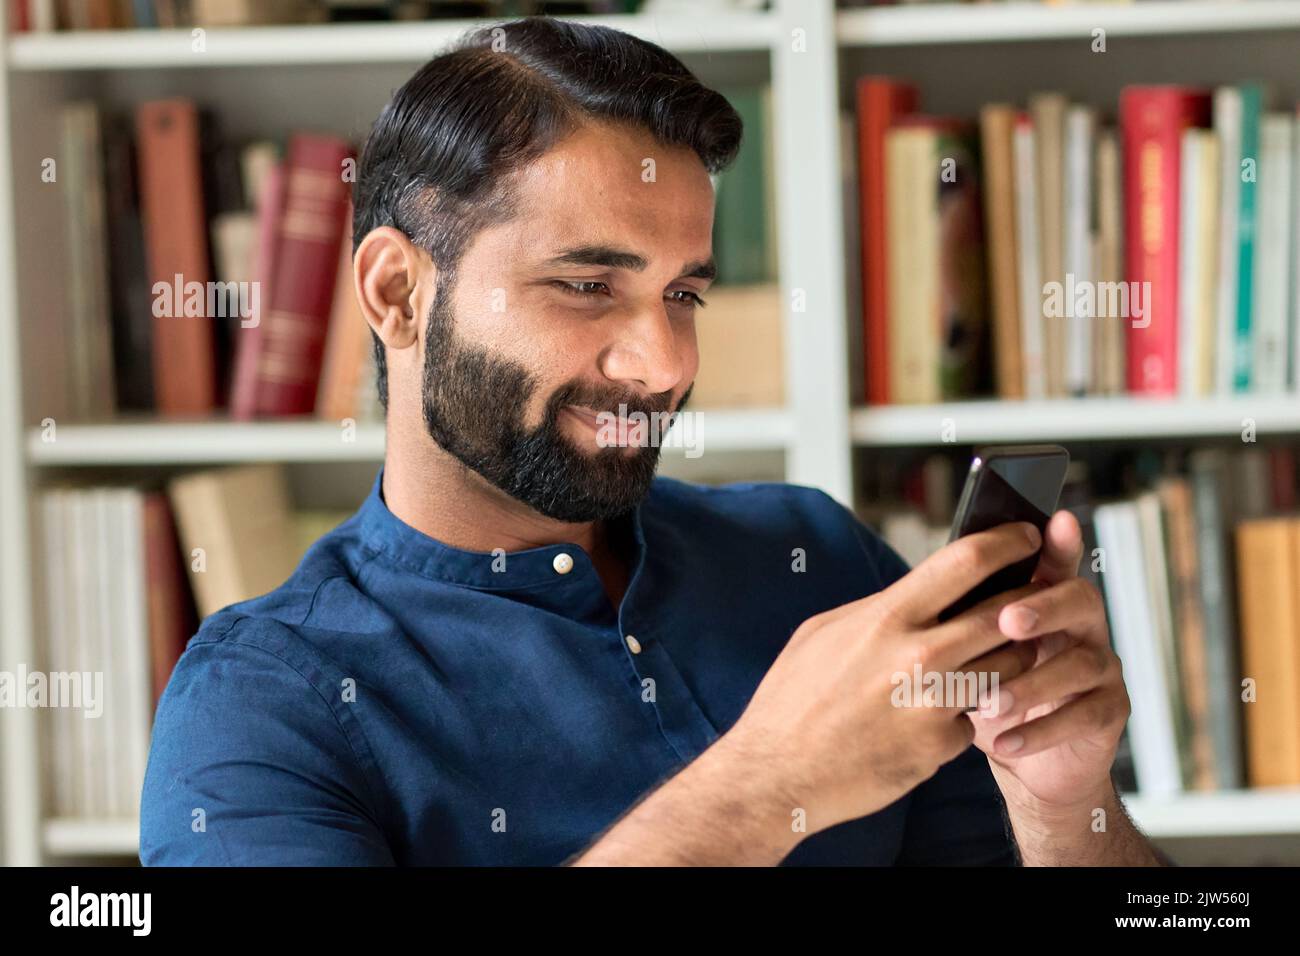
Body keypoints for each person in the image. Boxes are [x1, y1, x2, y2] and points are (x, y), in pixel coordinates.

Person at [141, 16, 1159, 866]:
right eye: (588, 285)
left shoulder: (819, 558)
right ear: (397, 292)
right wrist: (769, 786)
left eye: (683, 293)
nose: (662, 361)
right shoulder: (259, 704)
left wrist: (1067, 808)